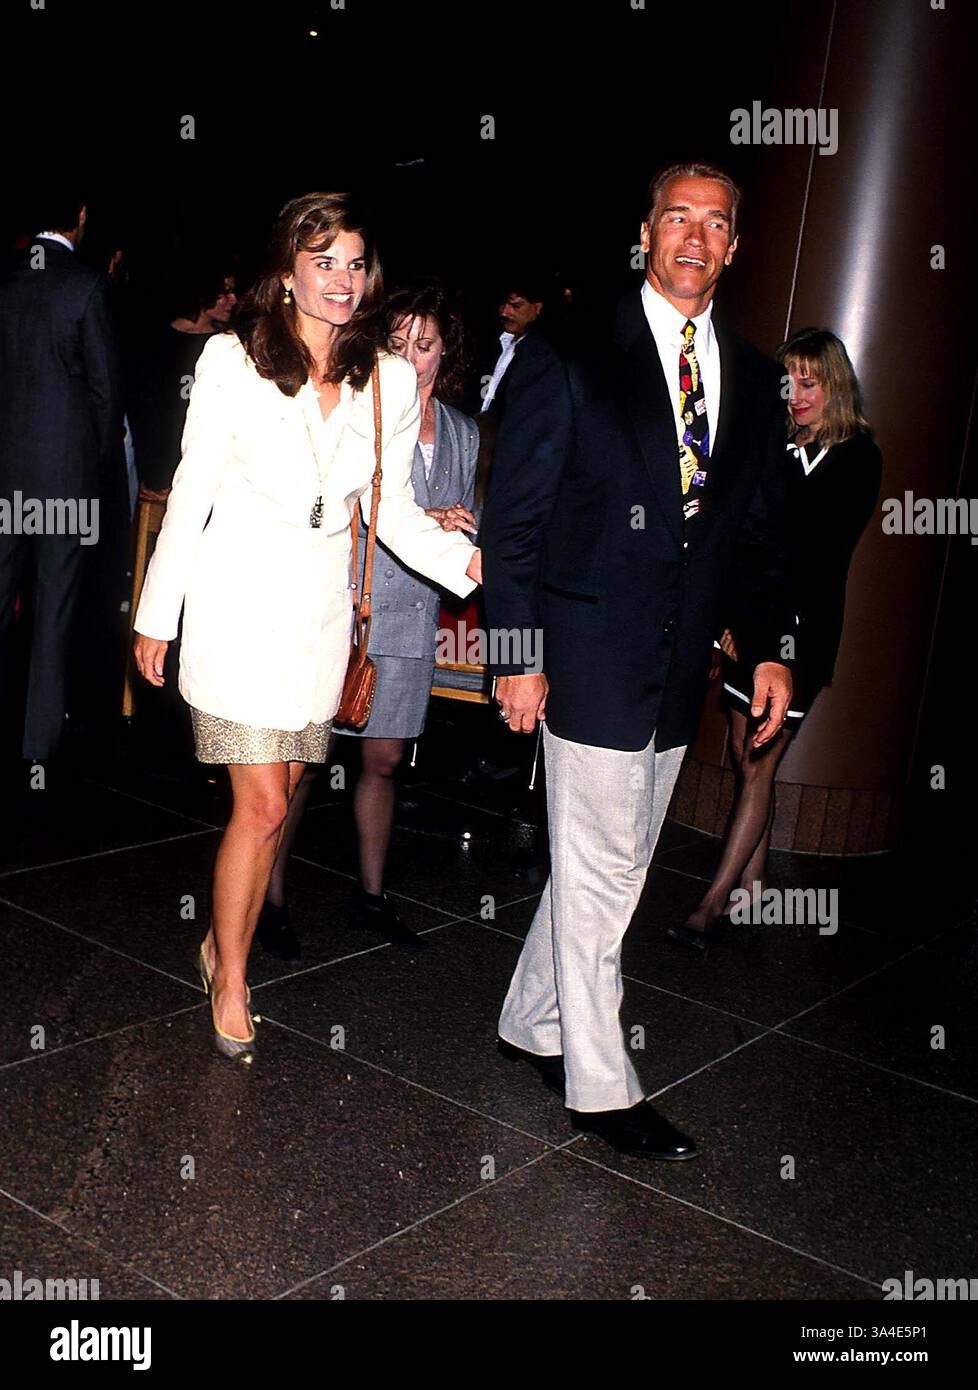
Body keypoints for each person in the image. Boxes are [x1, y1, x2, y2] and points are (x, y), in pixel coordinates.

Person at [482, 161, 795, 1161]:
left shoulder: (749, 373)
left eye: (716, 223)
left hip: (680, 673)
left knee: (602, 862)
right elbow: (514, 525)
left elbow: (753, 539)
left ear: (735, 245)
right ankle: (601, 1087)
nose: (695, 237)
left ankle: (532, 1019)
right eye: (678, 218)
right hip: (583, 656)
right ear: (647, 232)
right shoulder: (569, 351)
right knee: (607, 872)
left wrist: (773, 651)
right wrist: (517, 657)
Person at [132, 192, 481, 1061]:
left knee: (283, 801)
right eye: (323, 261)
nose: (341, 279)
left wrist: (476, 571)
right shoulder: (232, 360)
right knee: (258, 805)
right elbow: (194, 488)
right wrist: (155, 615)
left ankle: (223, 940)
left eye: (355, 263)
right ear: (287, 271)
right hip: (237, 607)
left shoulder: (387, 380)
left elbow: (391, 513)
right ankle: (233, 978)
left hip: (319, 623)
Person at [257, 280, 480, 960]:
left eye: (425, 344)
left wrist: (453, 523)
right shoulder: (356, 408)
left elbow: (469, 515)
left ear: (446, 353)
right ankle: (268, 900)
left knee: (383, 762)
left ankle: (373, 896)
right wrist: (421, 519)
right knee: (300, 761)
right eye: (399, 342)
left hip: (410, 606)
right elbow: (324, 504)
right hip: (342, 601)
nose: (411, 357)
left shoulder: (464, 431)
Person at [681, 328, 883, 937]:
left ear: (835, 386)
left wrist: (762, 626)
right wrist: (738, 622)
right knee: (748, 765)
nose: (796, 394)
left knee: (760, 765)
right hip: (752, 628)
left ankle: (710, 905)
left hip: (802, 635)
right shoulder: (775, 444)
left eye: (810, 382)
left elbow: (813, 552)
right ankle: (753, 891)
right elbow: (745, 539)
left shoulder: (856, 456)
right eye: (787, 382)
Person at [0, 192, 125, 767]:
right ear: (81, 216)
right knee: (53, 611)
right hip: (65, 481)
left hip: (6, 475)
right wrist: (98, 472)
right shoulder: (87, 285)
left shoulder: (6, 281)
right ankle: (37, 751)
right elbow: (105, 395)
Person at [129, 263, 238, 495]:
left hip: (201, 471)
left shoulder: (229, 347)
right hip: (155, 466)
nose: (233, 300)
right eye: (225, 292)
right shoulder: (156, 341)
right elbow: (144, 411)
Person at [480, 274, 546, 413]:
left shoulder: (542, 356)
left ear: (537, 308)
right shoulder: (493, 344)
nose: (505, 312)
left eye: (516, 306)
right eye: (503, 304)